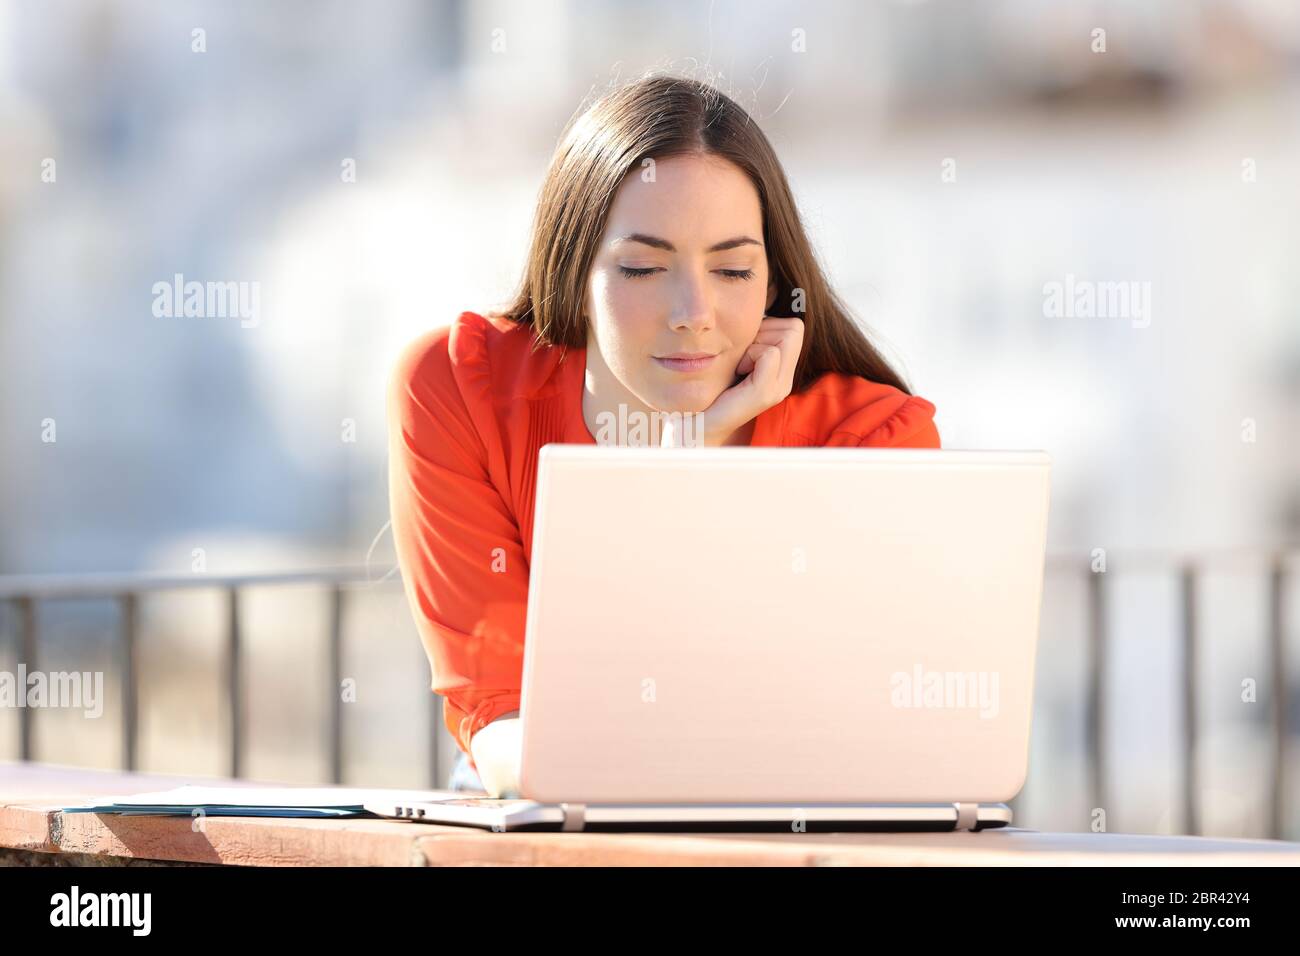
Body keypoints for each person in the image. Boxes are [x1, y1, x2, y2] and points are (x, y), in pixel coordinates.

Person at [387, 72, 941, 799]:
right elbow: (506, 723)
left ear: (776, 282)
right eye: (644, 267)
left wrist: (696, 458)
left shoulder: (870, 438)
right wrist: (685, 451)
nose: (694, 311)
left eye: (734, 268)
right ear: (573, 267)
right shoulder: (459, 388)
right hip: (545, 806)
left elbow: (873, 733)